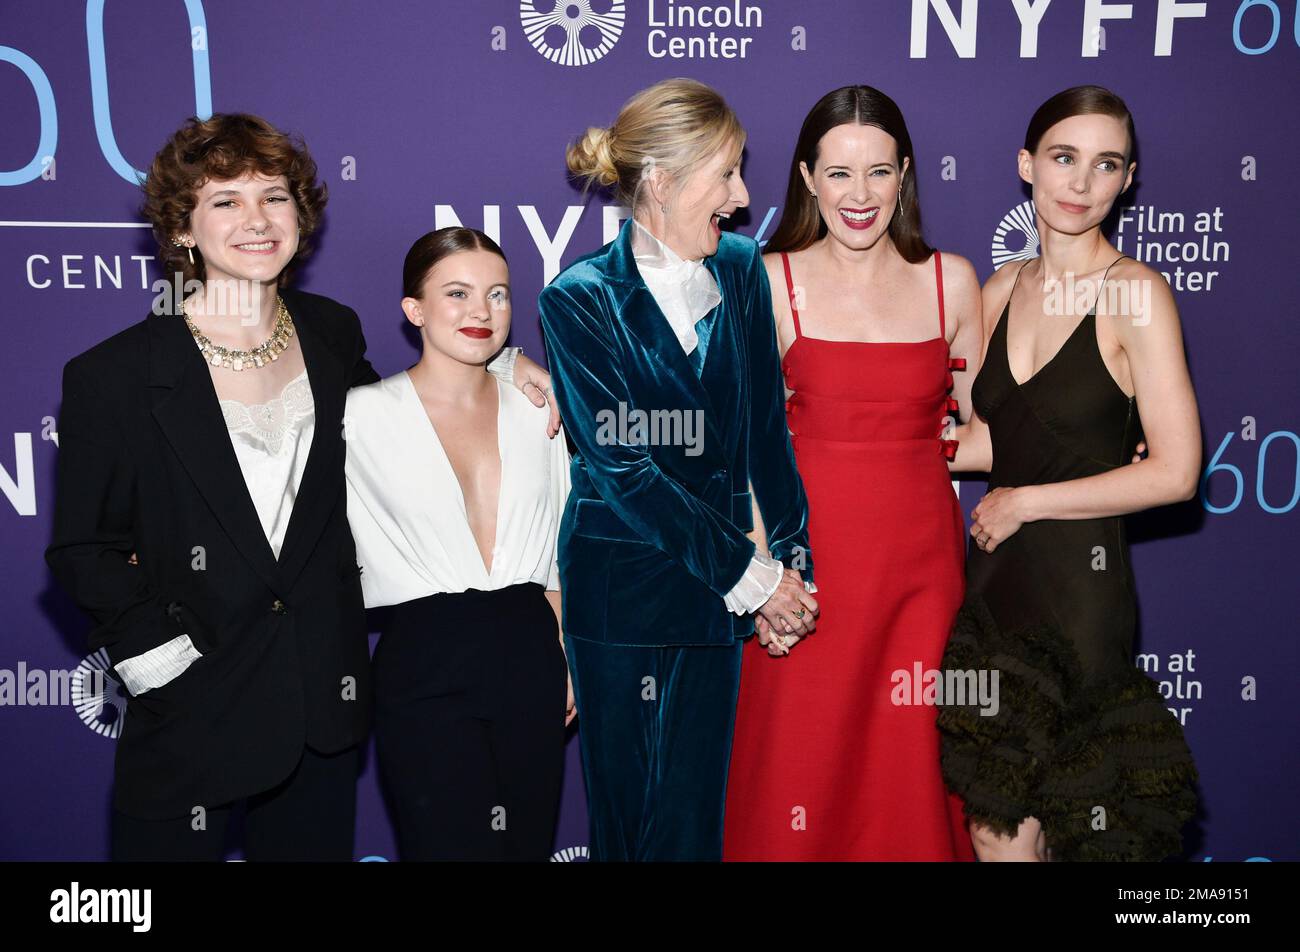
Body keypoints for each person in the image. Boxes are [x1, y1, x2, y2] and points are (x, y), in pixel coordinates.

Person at [44, 113, 554, 861]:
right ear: (184, 229)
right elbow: (83, 548)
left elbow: (407, 416)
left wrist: (503, 367)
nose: (256, 219)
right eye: (225, 201)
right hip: (192, 712)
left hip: (324, 708)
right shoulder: (114, 377)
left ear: (301, 216)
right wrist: (165, 661)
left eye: (274, 197)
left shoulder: (332, 334)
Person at [538, 78, 818, 861]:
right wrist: (753, 576)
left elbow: (766, 434)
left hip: (717, 593)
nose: (741, 196)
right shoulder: (579, 298)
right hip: (623, 590)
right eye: (725, 174)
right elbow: (622, 467)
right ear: (660, 183)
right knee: (629, 826)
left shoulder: (738, 267)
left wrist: (791, 571)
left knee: (693, 826)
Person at [937, 86, 1201, 862]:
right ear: (1027, 165)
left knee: (1083, 836)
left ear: (1127, 180)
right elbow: (982, 441)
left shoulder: (1137, 295)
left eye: (1104, 165)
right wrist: (849, 428)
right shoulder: (997, 288)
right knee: (996, 839)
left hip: (1080, 599)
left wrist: (1027, 503)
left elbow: (1178, 472)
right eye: (1063, 158)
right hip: (991, 593)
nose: (1080, 184)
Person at [723, 86, 981, 861]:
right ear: (806, 178)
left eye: (877, 173)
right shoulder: (766, 279)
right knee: (799, 763)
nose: (859, 196)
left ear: (904, 176)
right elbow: (738, 451)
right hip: (806, 569)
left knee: (909, 764)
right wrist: (766, 580)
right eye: (838, 174)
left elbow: (985, 430)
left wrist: (1090, 452)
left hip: (920, 574)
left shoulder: (953, 282)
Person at [343, 228, 573, 861]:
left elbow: (560, 548)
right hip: (423, 660)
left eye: (498, 295)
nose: (482, 311)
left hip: (530, 654)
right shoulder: (358, 416)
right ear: (414, 310)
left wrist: (562, 650)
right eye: (458, 293)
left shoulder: (543, 410)